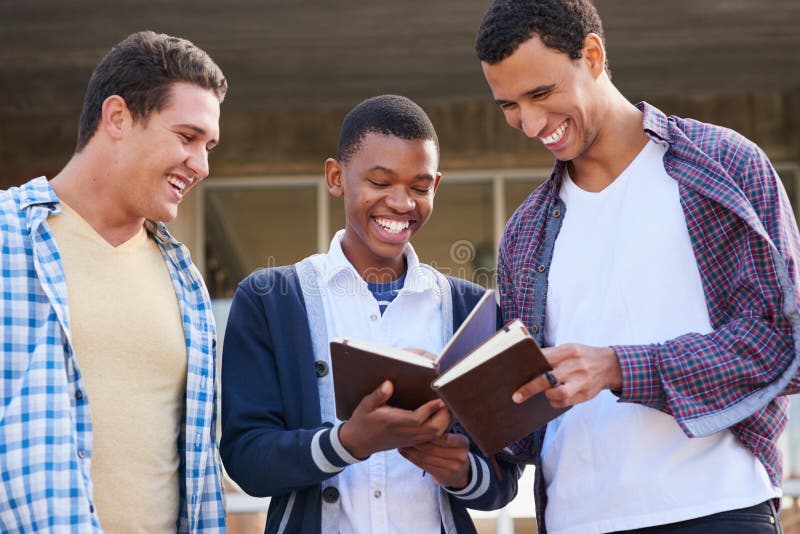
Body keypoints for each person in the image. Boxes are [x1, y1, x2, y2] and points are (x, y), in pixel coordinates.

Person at [475, 1, 800, 533]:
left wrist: (619, 367)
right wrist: (457, 414)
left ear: (593, 56)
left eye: (541, 93)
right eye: (509, 105)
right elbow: (527, 427)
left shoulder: (724, 165)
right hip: (577, 520)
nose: (530, 123)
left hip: (715, 507)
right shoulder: (525, 232)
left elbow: (784, 343)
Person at [220, 94, 519, 533]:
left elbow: (505, 478)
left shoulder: (472, 310)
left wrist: (461, 472)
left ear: (435, 186)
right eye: (380, 182)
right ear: (336, 177)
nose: (402, 203)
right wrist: (347, 442)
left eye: (420, 187)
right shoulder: (270, 299)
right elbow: (246, 459)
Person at [0, 31, 227, 532]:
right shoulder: (7, 239)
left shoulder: (184, 277)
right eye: (187, 137)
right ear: (118, 117)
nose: (202, 165)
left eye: (208, 146)